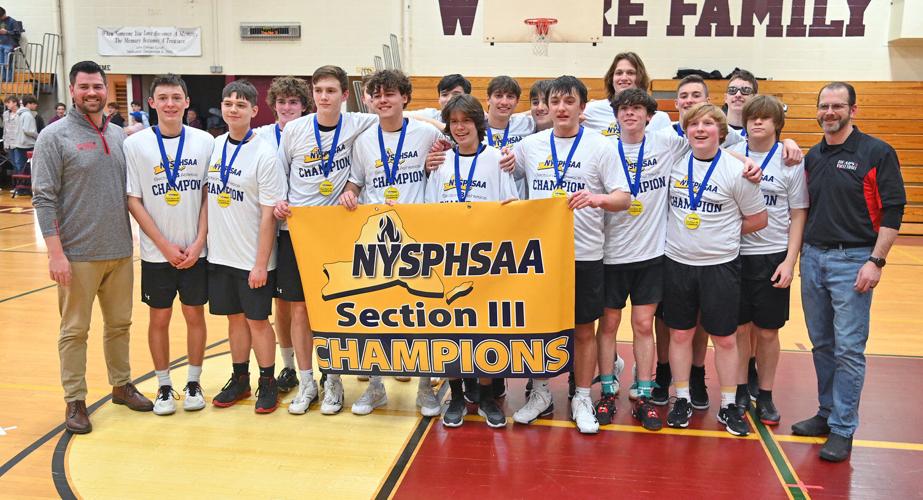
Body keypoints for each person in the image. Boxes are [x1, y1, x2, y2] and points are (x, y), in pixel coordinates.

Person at [32, 60, 153, 434]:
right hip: (77, 255)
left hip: (119, 250)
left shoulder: (119, 136)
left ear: (105, 89)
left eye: (97, 87)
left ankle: (121, 384)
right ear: (72, 91)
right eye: (84, 87)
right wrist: (56, 253)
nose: (91, 93)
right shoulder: (54, 137)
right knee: (74, 330)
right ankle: (76, 400)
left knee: (120, 325)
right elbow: (43, 198)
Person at [792, 82, 906, 462]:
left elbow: (893, 210)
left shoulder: (876, 152)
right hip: (813, 258)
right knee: (822, 344)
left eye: (838, 106)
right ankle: (826, 413)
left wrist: (876, 261)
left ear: (853, 110)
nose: (830, 112)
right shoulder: (814, 155)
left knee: (849, 350)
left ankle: (843, 428)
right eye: (824, 106)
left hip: (854, 260)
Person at [510, 75, 631, 434]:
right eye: (555, 102)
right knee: (540, 328)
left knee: (583, 328)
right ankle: (541, 392)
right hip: (540, 255)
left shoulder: (602, 147)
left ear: (582, 106)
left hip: (585, 253)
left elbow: (623, 198)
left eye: (569, 102)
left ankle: (580, 396)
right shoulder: (530, 145)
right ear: (547, 105)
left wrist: (596, 199)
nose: (561, 109)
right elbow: (493, 167)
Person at [274, 65, 379, 415]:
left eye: (331, 91)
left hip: (337, 233)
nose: (323, 97)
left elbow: (405, 121)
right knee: (300, 309)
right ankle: (307, 382)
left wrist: (442, 138)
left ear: (345, 95)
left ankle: (332, 378)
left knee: (336, 309)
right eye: (318, 90)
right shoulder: (294, 130)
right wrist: (280, 202)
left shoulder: (359, 123)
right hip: (297, 233)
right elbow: (280, 174)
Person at [337, 69, 443, 418]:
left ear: (405, 98)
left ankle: (426, 387)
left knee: (424, 317)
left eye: (390, 94)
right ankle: (376, 386)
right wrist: (350, 195)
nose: (383, 100)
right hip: (378, 241)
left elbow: (450, 161)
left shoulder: (427, 133)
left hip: (419, 240)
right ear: (367, 99)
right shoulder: (365, 140)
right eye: (376, 94)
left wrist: (435, 163)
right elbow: (356, 182)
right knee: (378, 317)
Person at [662, 103, 768, 437]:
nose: (700, 129)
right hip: (678, 263)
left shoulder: (737, 172)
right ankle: (681, 399)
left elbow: (759, 219)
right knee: (680, 334)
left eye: (708, 123)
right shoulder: (675, 165)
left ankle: (728, 405)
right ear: (687, 131)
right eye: (693, 124)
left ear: (720, 132)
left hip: (720, 267)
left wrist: (720, 233)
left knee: (724, 339)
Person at [424, 94, 518, 427]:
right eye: (454, 122)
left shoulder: (497, 159)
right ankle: (458, 395)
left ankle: (488, 395)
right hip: (449, 262)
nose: (460, 127)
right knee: (451, 330)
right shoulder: (441, 162)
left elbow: (512, 205)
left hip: (487, 261)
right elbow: (431, 209)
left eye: (466, 120)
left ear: (478, 123)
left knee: (488, 330)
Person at [125, 74, 215, 416]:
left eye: (176, 97)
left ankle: (193, 381)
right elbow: (133, 200)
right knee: (159, 318)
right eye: (162, 98)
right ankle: (163, 384)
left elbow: (210, 195)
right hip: (155, 253)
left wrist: (199, 242)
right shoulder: (135, 146)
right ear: (152, 103)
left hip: (196, 251)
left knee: (194, 315)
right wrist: (162, 245)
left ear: (187, 102)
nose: (170, 104)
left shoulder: (205, 142)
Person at [206, 80, 287, 414]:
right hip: (220, 255)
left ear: (254, 111)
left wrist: (260, 263)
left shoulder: (265, 154)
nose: (233, 109)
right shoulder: (215, 146)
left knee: (257, 322)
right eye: (228, 103)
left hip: (253, 259)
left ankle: (267, 382)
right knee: (234, 321)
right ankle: (240, 378)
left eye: (241, 104)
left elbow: (270, 216)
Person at [728, 95, 808, 425]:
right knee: (740, 329)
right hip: (735, 254)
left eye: (765, 118)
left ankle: (766, 393)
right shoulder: (734, 153)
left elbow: (798, 213)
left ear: (777, 124)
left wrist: (790, 261)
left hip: (772, 255)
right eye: (752, 118)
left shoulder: (790, 161)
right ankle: (742, 388)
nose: (757, 123)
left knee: (767, 332)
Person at [254, 75, 313, 396]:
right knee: (282, 301)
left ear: (304, 105)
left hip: (304, 228)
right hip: (268, 228)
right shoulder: (261, 136)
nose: (287, 107)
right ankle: (289, 365)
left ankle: (319, 367)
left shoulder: (312, 132)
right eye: (282, 102)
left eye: (293, 102)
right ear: (273, 105)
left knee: (305, 304)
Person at [582, 52, 672, 135]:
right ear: (611, 78)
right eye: (619, 73)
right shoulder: (591, 110)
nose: (624, 77)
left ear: (640, 78)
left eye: (630, 73)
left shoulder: (660, 118)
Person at [0, 7, 23, 82]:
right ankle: (3, 80)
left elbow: (18, 34)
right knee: (1, 64)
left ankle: (9, 81)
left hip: (9, 45)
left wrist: (7, 32)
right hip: (1, 44)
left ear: (4, 14)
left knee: (8, 64)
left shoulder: (12, 21)